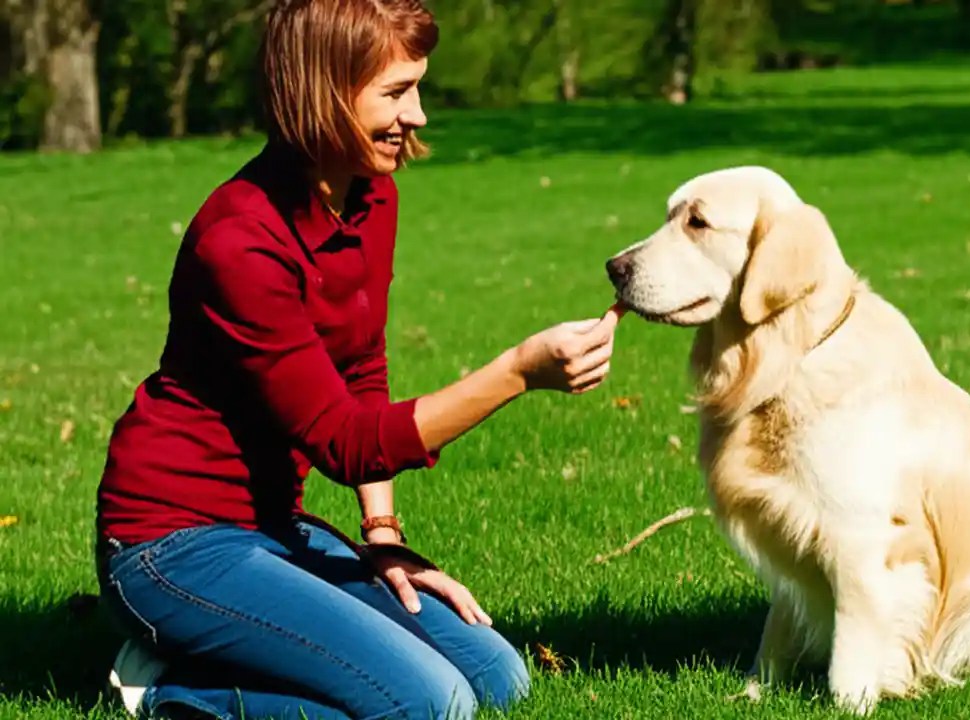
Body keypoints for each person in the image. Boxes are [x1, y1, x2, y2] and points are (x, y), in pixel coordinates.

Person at [93, 1, 621, 718]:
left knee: (498, 677)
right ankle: (165, 691)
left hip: (272, 524)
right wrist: (519, 373)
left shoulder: (371, 195)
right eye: (398, 92)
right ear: (323, 89)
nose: (421, 115)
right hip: (172, 545)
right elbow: (347, 443)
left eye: (419, 88)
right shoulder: (240, 242)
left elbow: (362, 371)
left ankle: (228, 648)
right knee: (430, 705)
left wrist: (384, 539)